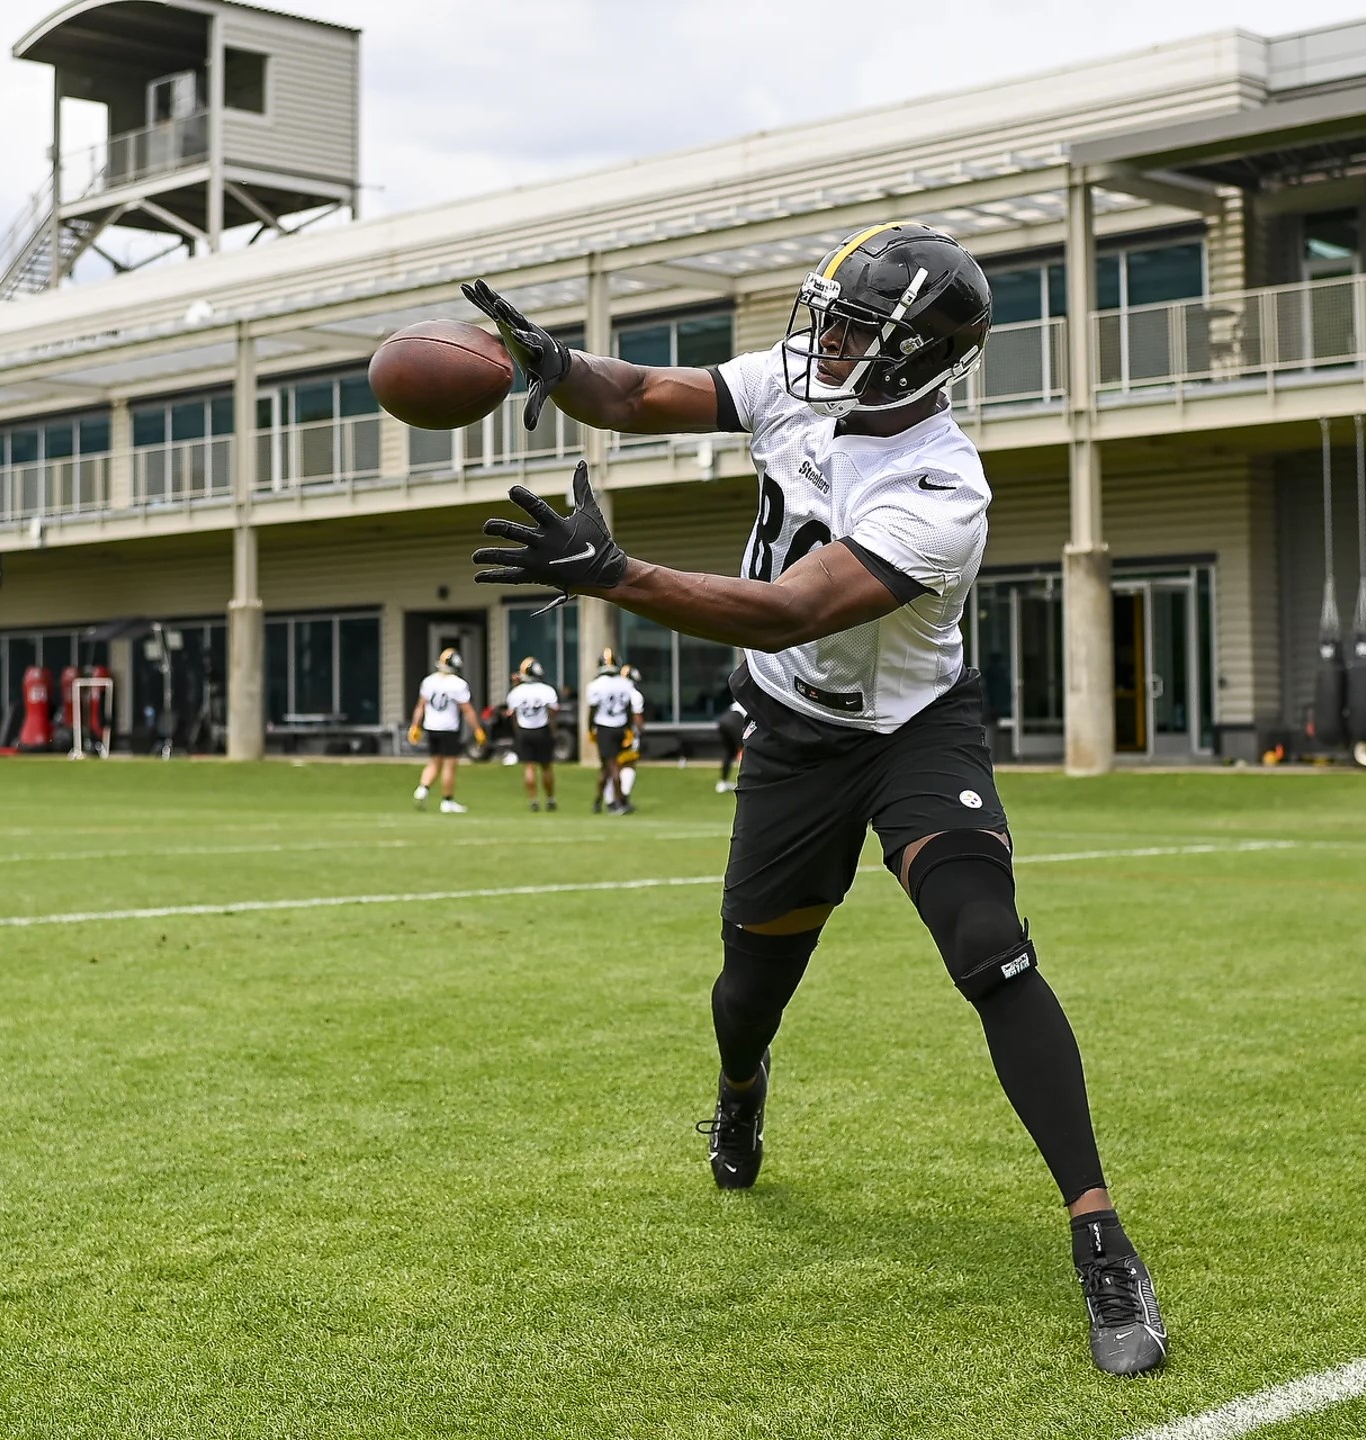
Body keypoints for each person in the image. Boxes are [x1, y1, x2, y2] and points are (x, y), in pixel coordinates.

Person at [462, 222, 1166, 1377]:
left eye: (852, 330)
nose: (822, 342)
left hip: (910, 731)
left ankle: (1100, 1234)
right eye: (826, 316)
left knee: (988, 943)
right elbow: (638, 393)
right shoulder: (803, 394)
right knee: (746, 995)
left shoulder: (941, 488)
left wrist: (614, 576)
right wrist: (554, 366)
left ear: (917, 357)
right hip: (793, 736)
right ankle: (741, 1092)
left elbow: (790, 607)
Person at [409, 648, 485, 814]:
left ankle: (423, 788)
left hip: (431, 727)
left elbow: (420, 706)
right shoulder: (458, 684)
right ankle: (447, 801)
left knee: (434, 762)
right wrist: (478, 730)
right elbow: (467, 710)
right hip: (448, 728)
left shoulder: (429, 681)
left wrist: (415, 726)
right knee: (449, 765)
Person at [584, 649, 642, 815]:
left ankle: (616, 802)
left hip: (605, 728)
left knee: (611, 766)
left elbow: (592, 710)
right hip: (620, 727)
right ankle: (604, 801)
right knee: (608, 767)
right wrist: (629, 729)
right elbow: (629, 710)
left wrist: (590, 729)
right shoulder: (625, 684)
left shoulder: (595, 685)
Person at [506, 657, 561, 812]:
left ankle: (533, 800)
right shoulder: (547, 690)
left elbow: (513, 715)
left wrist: (518, 732)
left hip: (524, 730)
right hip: (542, 729)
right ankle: (550, 799)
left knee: (529, 767)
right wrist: (553, 731)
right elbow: (552, 712)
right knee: (546, 767)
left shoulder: (516, 692)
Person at [612, 664, 647, 812]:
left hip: (611, 730)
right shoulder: (634, 695)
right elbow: (637, 718)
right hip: (628, 733)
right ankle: (622, 797)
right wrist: (640, 730)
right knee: (629, 765)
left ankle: (611, 799)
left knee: (612, 766)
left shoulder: (613, 691)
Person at [716, 700, 748, 793]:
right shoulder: (750, 702)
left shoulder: (738, 702)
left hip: (722, 723)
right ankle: (744, 783)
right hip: (734, 722)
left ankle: (723, 782)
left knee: (729, 752)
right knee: (744, 752)